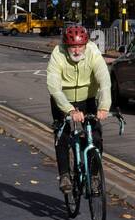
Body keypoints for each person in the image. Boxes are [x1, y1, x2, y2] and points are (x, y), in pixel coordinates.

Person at [45, 25, 111, 194]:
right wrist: (69, 110)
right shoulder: (57, 54)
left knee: (95, 136)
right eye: (72, 47)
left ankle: (95, 176)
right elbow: (54, 88)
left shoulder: (93, 52)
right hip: (63, 101)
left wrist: (104, 106)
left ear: (86, 44)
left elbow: (104, 81)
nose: (76, 51)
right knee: (62, 135)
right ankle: (65, 175)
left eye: (80, 46)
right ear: (66, 46)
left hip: (87, 98)